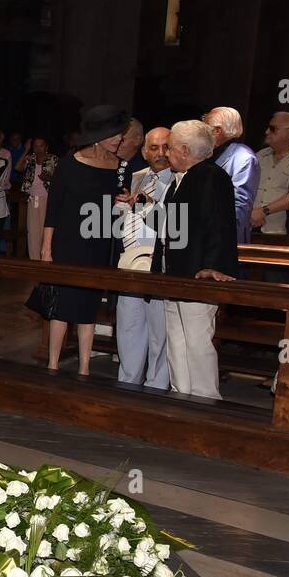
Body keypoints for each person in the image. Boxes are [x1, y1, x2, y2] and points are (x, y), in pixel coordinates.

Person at [36, 105, 131, 376]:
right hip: (68, 243)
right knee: (62, 306)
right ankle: (53, 364)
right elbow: (53, 209)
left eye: (121, 135)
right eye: (115, 135)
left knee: (88, 306)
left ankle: (85, 369)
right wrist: (46, 248)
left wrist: (122, 202)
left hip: (99, 243)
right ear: (100, 135)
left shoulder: (121, 167)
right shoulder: (71, 162)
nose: (119, 140)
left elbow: (117, 206)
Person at [152, 119, 239, 399]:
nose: (166, 153)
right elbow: (174, 224)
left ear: (186, 150)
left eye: (171, 147)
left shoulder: (211, 176)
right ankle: (181, 393)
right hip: (176, 270)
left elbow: (219, 225)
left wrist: (211, 266)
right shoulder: (187, 177)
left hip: (198, 272)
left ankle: (205, 399)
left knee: (197, 339)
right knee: (177, 337)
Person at [113, 126, 174, 389]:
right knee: (128, 327)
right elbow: (122, 224)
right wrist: (118, 210)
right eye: (154, 147)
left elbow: (174, 226)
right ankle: (127, 383)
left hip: (160, 262)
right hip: (131, 261)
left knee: (160, 332)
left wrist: (143, 204)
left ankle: (156, 388)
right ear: (144, 152)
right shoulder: (136, 176)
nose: (160, 153)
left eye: (166, 147)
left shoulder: (181, 180)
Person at [203, 106, 260, 246]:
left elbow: (239, 207)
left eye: (205, 126)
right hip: (203, 235)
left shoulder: (244, 158)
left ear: (217, 131)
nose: (201, 133)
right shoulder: (205, 154)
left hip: (223, 240)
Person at [252, 111, 289, 237]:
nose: (267, 132)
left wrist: (263, 211)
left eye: (273, 129)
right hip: (251, 229)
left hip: (282, 232)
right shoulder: (260, 155)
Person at [17, 137, 57, 260]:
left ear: (46, 147)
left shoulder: (53, 159)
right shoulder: (30, 159)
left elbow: (62, 179)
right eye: (35, 146)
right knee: (33, 232)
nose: (38, 148)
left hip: (47, 198)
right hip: (32, 198)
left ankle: (46, 258)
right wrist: (26, 150)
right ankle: (34, 261)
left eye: (41, 145)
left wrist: (50, 179)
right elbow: (18, 167)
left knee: (45, 230)